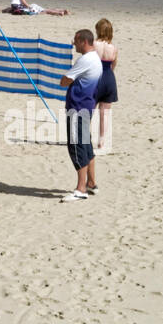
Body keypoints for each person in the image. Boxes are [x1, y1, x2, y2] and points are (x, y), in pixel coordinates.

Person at [60, 29, 102, 201]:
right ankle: (91, 183)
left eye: (76, 41)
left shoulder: (85, 60)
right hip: (87, 106)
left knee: (77, 147)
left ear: (84, 42)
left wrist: (67, 79)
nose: (74, 43)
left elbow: (65, 80)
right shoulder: (96, 58)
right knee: (86, 144)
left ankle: (81, 188)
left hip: (78, 108)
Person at [93, 18, 118, 156]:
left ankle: (84, 136)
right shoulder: (114, 48)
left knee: (89, 108)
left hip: (95, 77)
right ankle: (101, 140)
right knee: (105, 113)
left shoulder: (94, 44)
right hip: (108, 78)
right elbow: (113, 65)